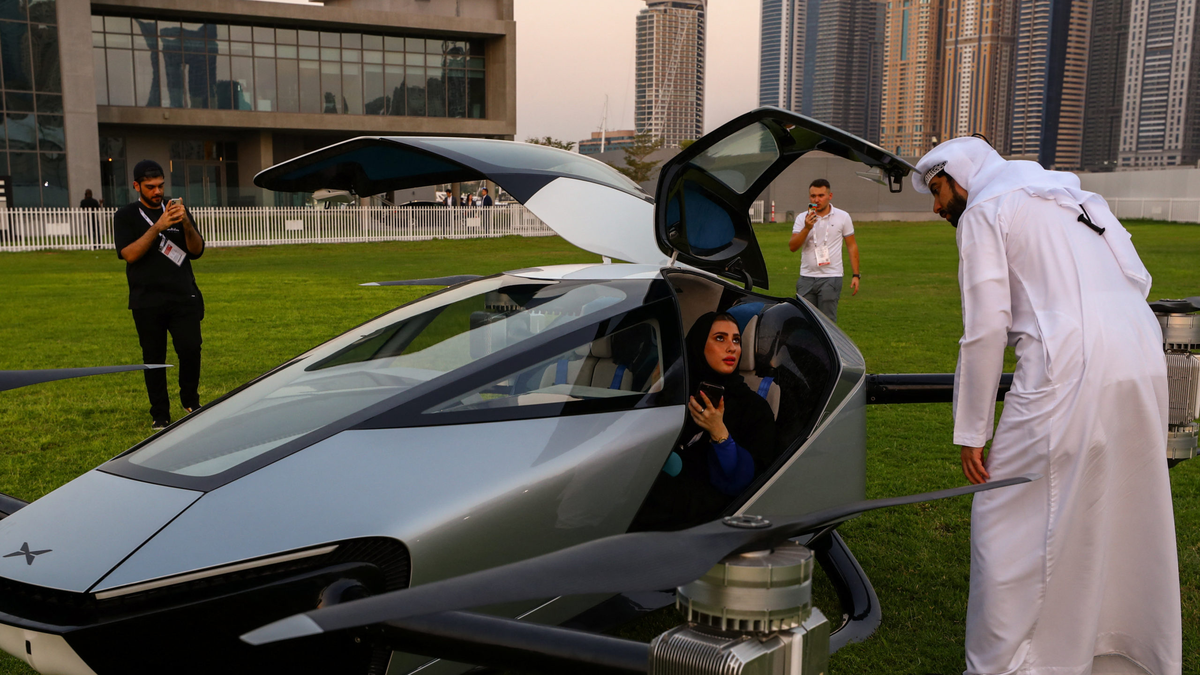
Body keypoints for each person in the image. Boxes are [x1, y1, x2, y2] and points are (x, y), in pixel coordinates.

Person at [914, 137, 1181, 675]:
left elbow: (985, 327)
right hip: (1140, 354)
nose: (936, 206)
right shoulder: (1075, 197)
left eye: (938, 190)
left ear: (961, 177)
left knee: (1005, 518)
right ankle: (1113, 658)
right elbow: (1138, 278)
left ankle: (1005, 665)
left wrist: (971, 429)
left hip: (1067, 366)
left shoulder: (986, 209)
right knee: (1116, 503)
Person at [635, 312, 776, 529]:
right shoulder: (676, 390)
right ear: (699, 344)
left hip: (711, 513)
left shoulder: (754, 408)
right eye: (720, 338)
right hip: (651, 490)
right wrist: (656, 395)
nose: (732, 348)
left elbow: (748, 484)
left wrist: (719, 432)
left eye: (736, 340)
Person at [113, 160, 206, 430]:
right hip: (147, 301)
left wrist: (185, 223)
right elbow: (129, 255)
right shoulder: (126, 216)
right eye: (150, 187)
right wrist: (158, 227)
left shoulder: (177, 211)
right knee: (154, 359)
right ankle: (160, 414)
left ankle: (190, 400)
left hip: (183, 296)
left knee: (191, 350)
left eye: (161, 186)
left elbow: (197, 251)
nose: (157, 191)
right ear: (136, 186)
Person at [787, 179, 859, 322]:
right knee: (806, 321)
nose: (817, 200)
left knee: (827, 322)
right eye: (813, 196)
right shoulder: (803, 218)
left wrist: (856, 274)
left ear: (830, 196)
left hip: (831, 276)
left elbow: (852, 246)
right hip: (806, 276)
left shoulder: (842, 216)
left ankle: (828, 345)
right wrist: (807, 228)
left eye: (821, 196)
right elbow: (793, 247)